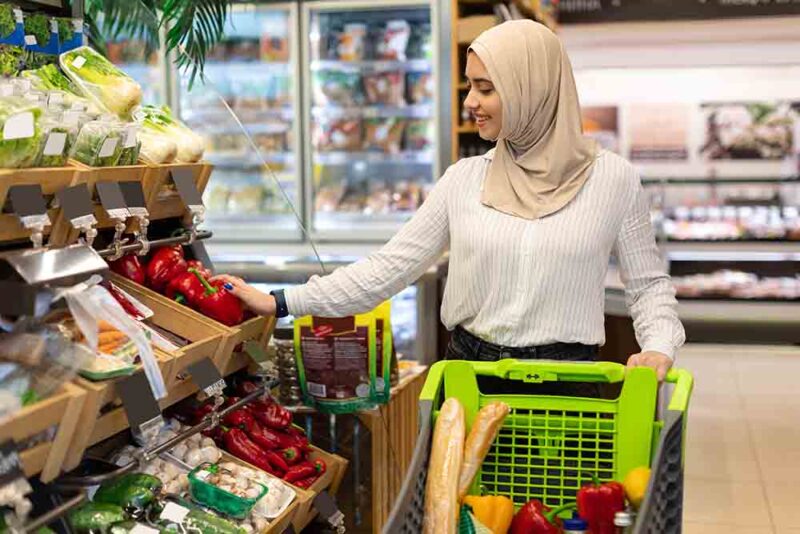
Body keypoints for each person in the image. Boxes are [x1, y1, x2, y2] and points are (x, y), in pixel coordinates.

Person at [213, 20, 685, 385]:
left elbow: (648, 286)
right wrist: (281, 300)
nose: (470, 103)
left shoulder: (612, 180)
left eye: (486, 88)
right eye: (469, 87)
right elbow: (389, 268)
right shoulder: (464, 181)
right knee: (462, 513)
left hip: (566, 382)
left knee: (557, 510)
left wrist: (659, 346)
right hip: (467, 376)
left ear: (532, 87)